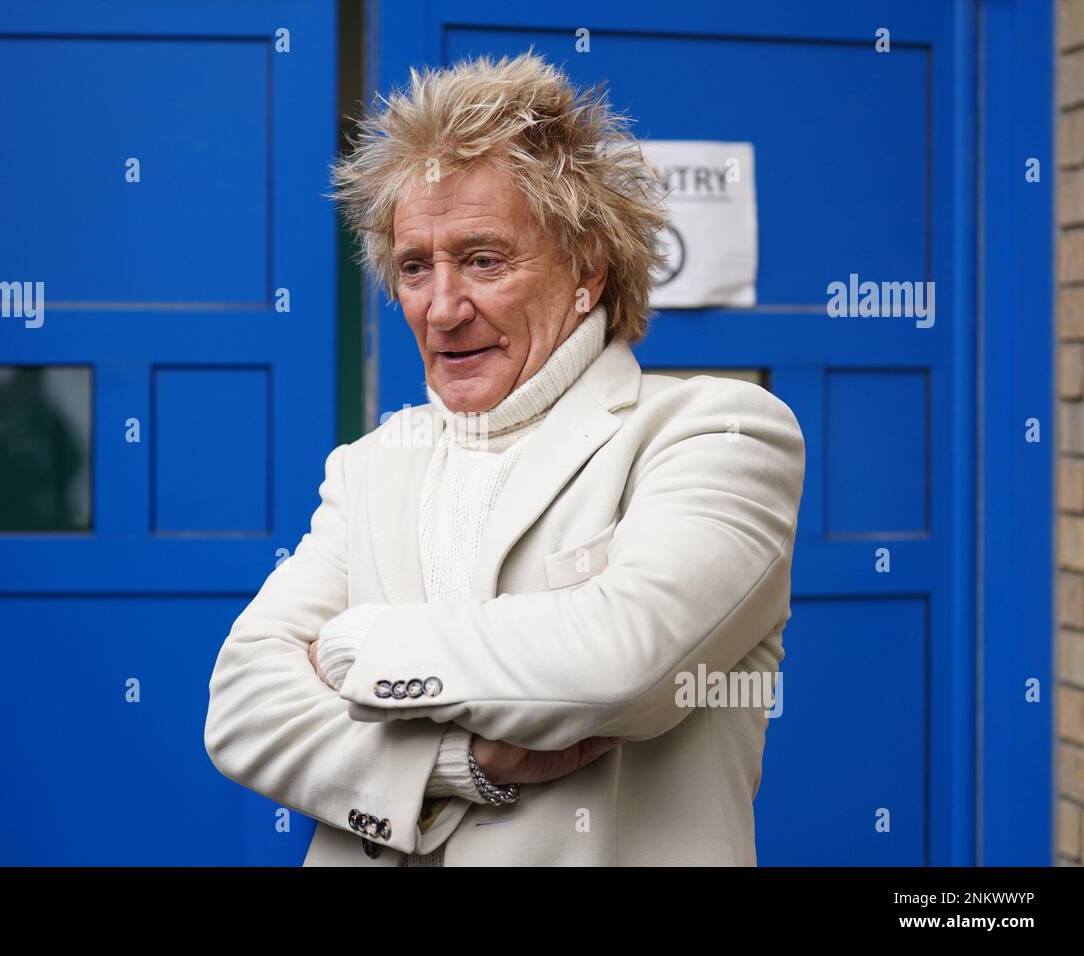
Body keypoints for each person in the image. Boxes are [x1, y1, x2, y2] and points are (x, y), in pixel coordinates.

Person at [204, 50, 805, 866]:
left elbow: (619, 665)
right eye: (416, 267)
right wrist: (456, 765)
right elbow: (242, 706)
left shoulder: (716, 432)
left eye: (484, 260)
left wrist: (360, 645)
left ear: (589, 267)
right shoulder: (373, 465)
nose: (444, 309)